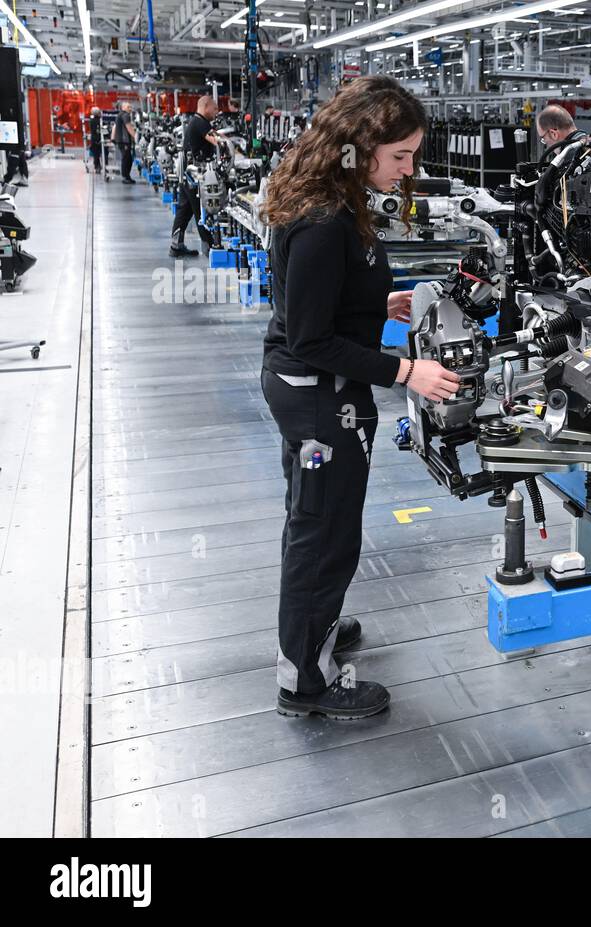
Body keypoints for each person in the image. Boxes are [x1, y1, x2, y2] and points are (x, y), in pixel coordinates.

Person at [259, 76, 462, 720]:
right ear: (359, 145)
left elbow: (310, 302)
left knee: (317, 518)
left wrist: (379, 302)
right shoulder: (323, 220)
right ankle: (307, 680)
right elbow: (312, 338)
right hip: (321, 398)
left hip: (318, 391)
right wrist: (407, 373)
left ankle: (313, 629)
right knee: (325, 531)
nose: (408, 171)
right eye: (400, 156)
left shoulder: (334, 200)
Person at [170, 96, 221, 257]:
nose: (216, 112)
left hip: (187, 174)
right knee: (202, 208)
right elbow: (216, 141)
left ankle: (175, 246)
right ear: (206, 106)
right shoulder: (200, 122)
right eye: (214, 109)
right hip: (194, 175)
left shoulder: (196, 121)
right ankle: (210, 247)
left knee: (184, 211)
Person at [112, 101, 137, 183]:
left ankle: (126, 176)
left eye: (130, 107)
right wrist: (136, 137)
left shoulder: (120, 115)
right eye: (128, 107)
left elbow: (114, 127)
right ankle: (125, 177)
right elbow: (129, 127)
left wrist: (113, 138)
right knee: (127, 158)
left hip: (121, 140)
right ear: (123, 108)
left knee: (127, 158)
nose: (130, 108)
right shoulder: (125, 115)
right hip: (124, 141)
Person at [87, 107, 103, 174]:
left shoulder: (91, 120)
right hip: (99, 138)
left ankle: (97, 166)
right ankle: (99, 166)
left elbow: (92, 130)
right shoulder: (100, 120)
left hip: (94, 138)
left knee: (96, 154)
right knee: (99, 153)